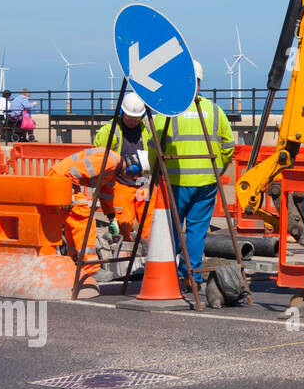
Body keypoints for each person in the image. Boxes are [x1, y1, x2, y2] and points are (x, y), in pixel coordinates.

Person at [157, 62, 235, 286]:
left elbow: (153, 143)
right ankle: (192, 274)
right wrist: (217, 169)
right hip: (207, 182)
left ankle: (166, 271)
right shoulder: (214, 110)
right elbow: (228, 145)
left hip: (176, 180)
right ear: (199, 82)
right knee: (197, 231)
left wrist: (153, 174)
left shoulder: (168, 110)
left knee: (171, 229)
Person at [47, 146, 139, 284]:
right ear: (132, 168)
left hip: (63, 180)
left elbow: (105, 194)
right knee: (83, 217)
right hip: (63, 180)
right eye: (134, 175)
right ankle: (90, 267)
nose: (132, 179)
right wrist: (69, 193)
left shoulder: (113, 170)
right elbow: (74, 172)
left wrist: (111, 216)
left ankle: (74, 260)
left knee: (73, 221)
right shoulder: (110, 161)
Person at [93, 91, 154, 243]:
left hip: (144, 182)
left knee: (150, 222)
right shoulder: (109, 130)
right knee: (124, 222)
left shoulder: (147, 127)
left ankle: (150, 253)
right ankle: (125, 252)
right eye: (129, 118)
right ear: (122, 113)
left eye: (136, 119)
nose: (132, 122)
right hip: (121, 184)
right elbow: (99, 157)